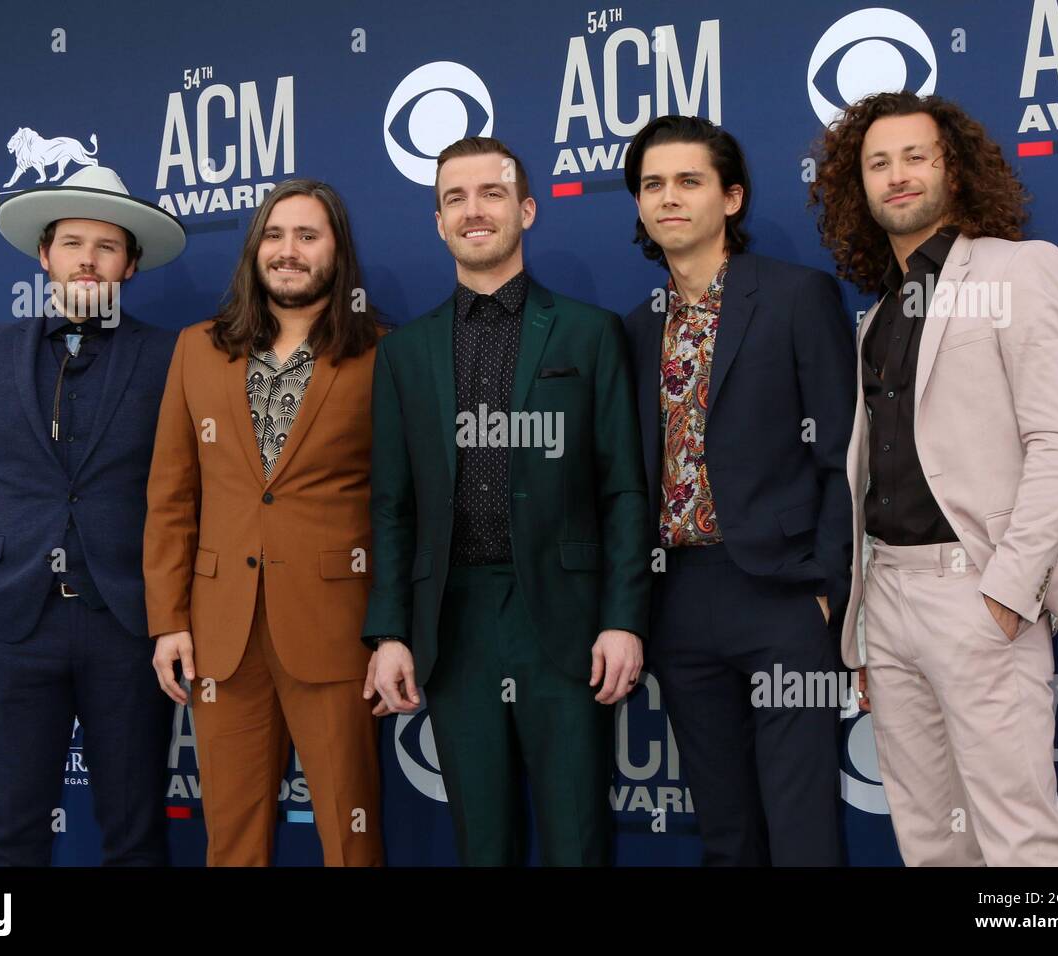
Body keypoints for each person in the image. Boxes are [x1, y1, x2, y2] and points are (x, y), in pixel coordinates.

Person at [810, 90, 1058, 865]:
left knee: (1018, 839)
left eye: (916, 156)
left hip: (976, 591)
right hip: (889, 599)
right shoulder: (877, 317)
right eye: (878, 163)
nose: (897, 176)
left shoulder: (1020, 271)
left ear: (956, 169)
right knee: (931, 840)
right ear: (858, 186)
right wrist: (869, 625)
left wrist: (1007, 593)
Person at [363, 136, 648, 865]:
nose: (473, 210)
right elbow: (392, 507)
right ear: (437, 222)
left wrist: (623, 620)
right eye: (454, 198)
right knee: (481, 844)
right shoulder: (403, 353)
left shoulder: (588, 333)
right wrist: (390, 632)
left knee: (577, 838)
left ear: (526, 209)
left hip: (564, 619)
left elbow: (622, 490)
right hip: (454, 626)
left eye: (491, 193)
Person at [0, 165, 185, 865]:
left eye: (106, 245)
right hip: (8, 624)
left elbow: (194, 493)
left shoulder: (172, 357)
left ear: (129, 264)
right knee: (11, 835)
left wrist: (174, 613)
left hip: (127, 626)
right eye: (72, 242)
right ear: (45, 256)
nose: (88, 258)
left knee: (136, 837)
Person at [620, 115, 855, 865]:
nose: (669, 198)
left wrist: (825, 590)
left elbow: (842, 458)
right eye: (652, 184)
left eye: (689, 181)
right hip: (680, 600)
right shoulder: (632, 329)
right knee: (726, 831)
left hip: (782, 593)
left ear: (733, 197)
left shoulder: (796, 297)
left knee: (801, 826)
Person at [144, 179, 384, 866]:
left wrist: (392, 627)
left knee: (352, 835)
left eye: (308, 236)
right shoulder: (198, 349)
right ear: (254, 252)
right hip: (222, 631)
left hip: (337, 629)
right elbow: (171, 495)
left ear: (337, 252)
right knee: (233, 840)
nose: (288, 251)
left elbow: (400, 503)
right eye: (274, 237)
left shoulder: (379, 352)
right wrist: (168, 619)